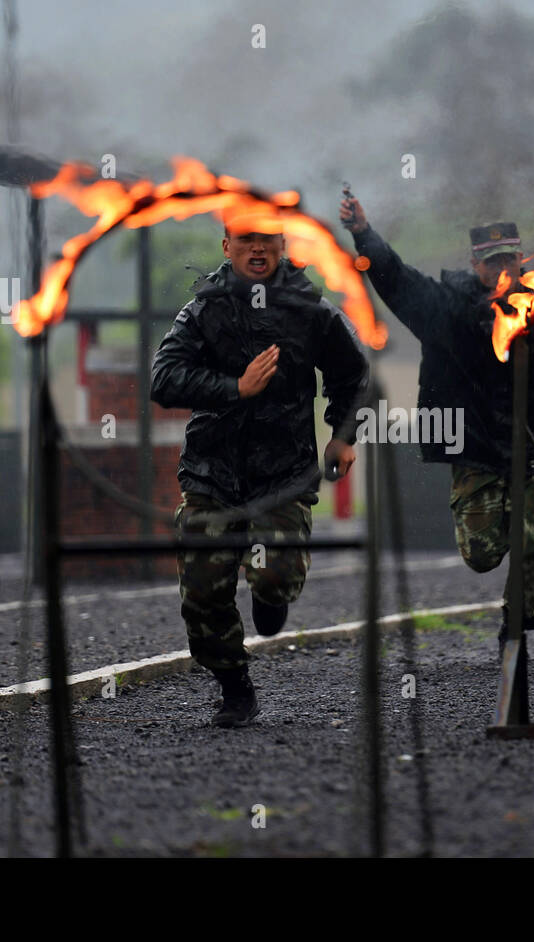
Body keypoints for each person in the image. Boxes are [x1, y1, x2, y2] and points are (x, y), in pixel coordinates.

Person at [339, 197, 534, 656]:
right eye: (492, 262)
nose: (502, 270)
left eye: (509, 260)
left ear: (520, 260)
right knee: (482, 554)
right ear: (474, 263)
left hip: (533, 446)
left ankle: (517, 623)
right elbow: (396, 278)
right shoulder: (444, 307)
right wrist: (364, 233)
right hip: (475, 449)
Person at [151, 223, 369, 727]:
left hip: (284, 474)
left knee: (274, 573)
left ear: (282, 246)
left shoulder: (310, 310)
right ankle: (235, 688)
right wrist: (235, 386)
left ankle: (272, 598)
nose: (257, 249)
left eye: (267, 240)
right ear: (227, 247)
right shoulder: (205, 309)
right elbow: (163, 379)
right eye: (245, 240)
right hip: (212, 471)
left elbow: (354, 375)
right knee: (203, 592)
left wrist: (342, 436)